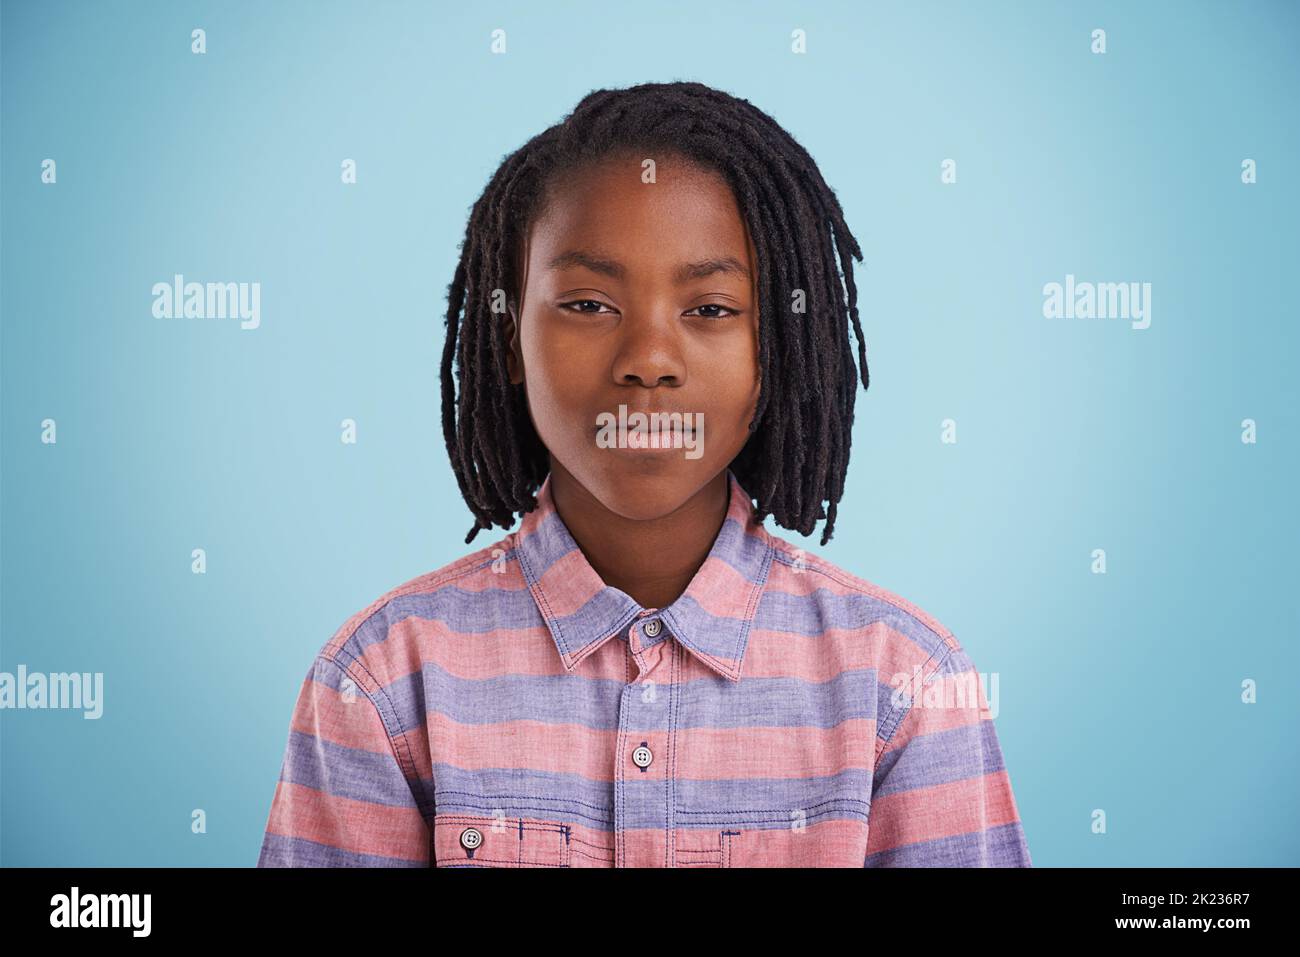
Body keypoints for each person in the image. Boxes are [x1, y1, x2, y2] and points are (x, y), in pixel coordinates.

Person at [257, 80, 1032, 867]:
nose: (649, 362)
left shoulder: (906, 689)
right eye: (589, 304)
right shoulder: (382, 684)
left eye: (711, 309)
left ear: (780, 351)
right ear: (509, 337)